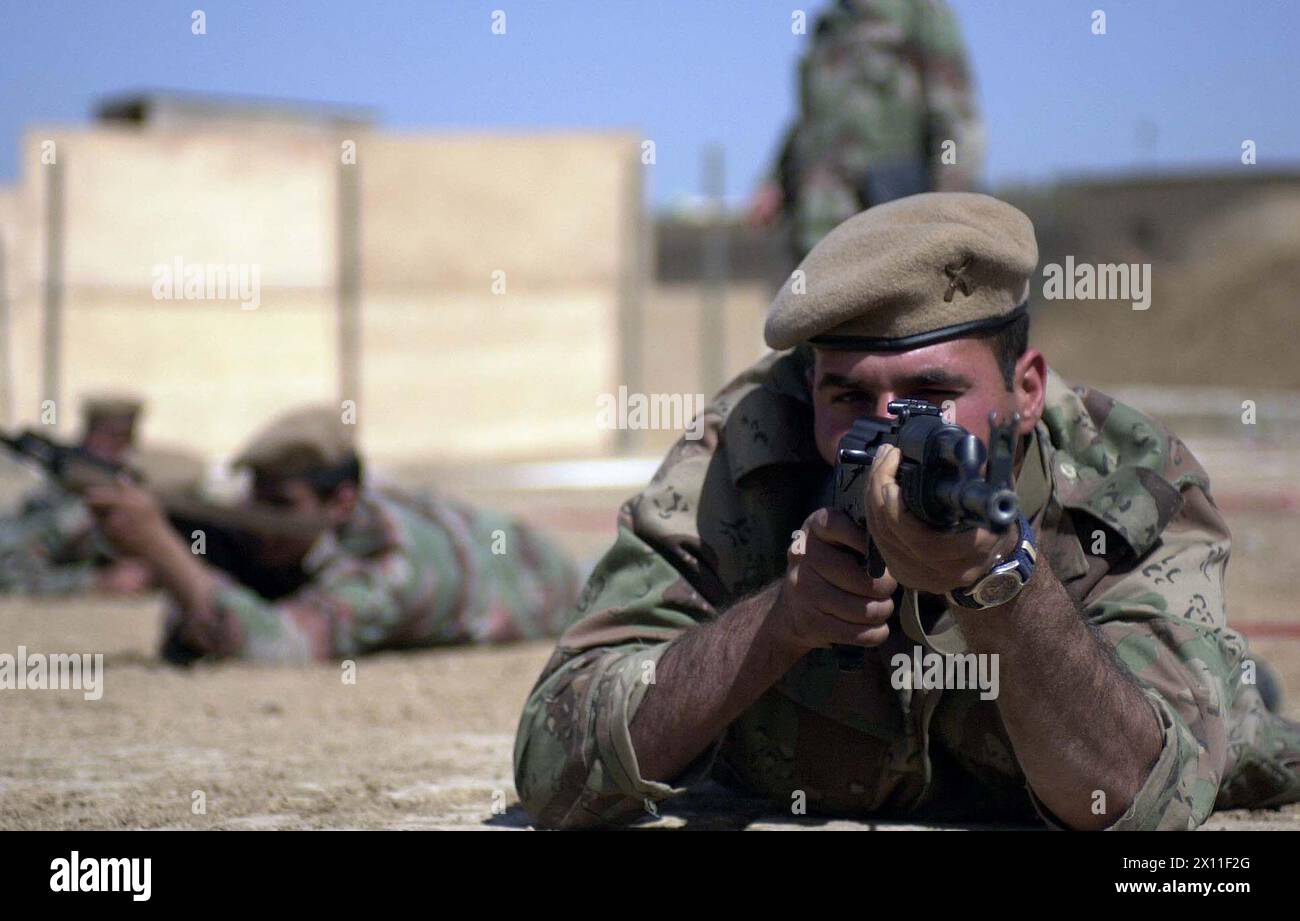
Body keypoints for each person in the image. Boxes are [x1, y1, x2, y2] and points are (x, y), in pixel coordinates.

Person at [513, 192, 1300, 830]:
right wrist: (777, 623)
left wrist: (1001, 586)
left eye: (931, 396)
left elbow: (1142, 803)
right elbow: (553, 762)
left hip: (1144, 691)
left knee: (1236, 724)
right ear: (807, 384)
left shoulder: (1130, 481)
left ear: (1026, 389)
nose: (890, 431)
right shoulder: (741, 455)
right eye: (848, 395)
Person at [85, 406, 580, 662]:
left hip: (546, 581)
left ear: (340, 502)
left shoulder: (390, 563)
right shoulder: (311, 535)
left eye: (281, 506)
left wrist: (161, 550)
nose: (260, 520)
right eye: (255, 499)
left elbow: (285, 645)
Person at [749, 0, 984, 263]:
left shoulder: (920, 13)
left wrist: (949, 216)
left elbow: (956, 120)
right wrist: (774, 181)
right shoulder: (828, 24)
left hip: (887, 231)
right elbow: (809, 121)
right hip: (816, 234)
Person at [0, 396, 153, 594]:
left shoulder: (129, 488)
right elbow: (10, 576)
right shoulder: (64, 502)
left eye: (126, 437)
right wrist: (94, 583)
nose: (120, 447)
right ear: (90, 435)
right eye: (112, 436)